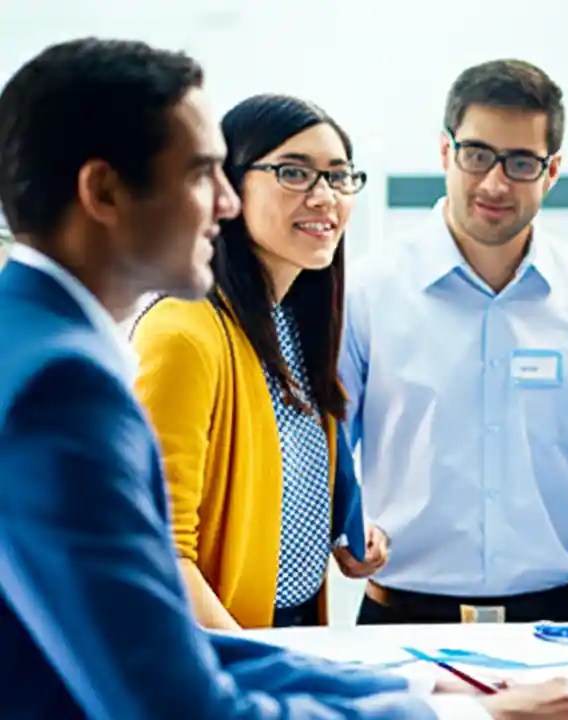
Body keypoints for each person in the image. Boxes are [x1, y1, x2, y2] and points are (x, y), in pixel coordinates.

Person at [0, 36, 568, 720]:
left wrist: (412, 689)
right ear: (105, 191)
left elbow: (167, 645)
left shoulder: (35, 342)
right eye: (202, 174)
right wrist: (457, 716)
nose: (225, 202)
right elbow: (175, 699)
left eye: (339, 177)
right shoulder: (62, 384)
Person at [340, 58, 568, 626]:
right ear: (445, 153)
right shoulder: (365, 293)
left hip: (559, 624)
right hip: (401, 621)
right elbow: (325, 449)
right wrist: (342, 525)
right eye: (476, 155)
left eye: (520, 163)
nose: (495, 183)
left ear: (552, 170)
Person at [131, 93, 387, 630]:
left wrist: (339, 525)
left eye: (339, 176)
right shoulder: (181, 333)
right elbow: (159, 552)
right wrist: (254, 663)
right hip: (221, 647)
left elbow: (275, 488)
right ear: (227, 189)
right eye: (294, 173)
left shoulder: (296, 325)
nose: (325, 197)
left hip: (292, 630)